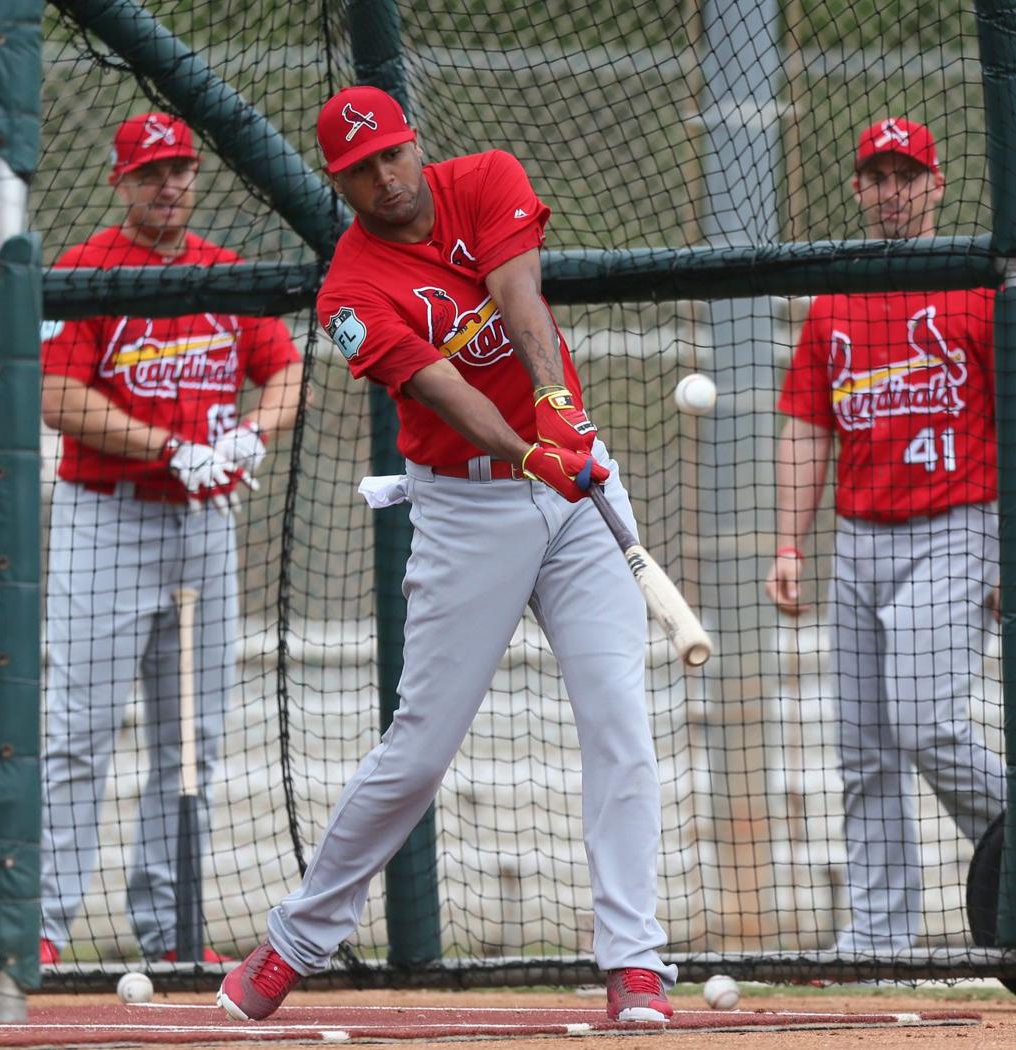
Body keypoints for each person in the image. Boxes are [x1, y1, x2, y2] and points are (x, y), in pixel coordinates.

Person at [217, 85, 676, 1023]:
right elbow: (434, 384)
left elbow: (519, 296)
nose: (384, 178)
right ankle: (297, 938)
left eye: (391, 154)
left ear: (414, 142)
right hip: (469, 508)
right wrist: (526, 450)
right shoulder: (347, 293)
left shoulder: (487, 179)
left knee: (619, 721)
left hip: (579, 481)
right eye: (359, 170)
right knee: (420, 750)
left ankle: (634, 960)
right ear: (338, 183)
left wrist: (555, 406)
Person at [38, 112, 304, 964]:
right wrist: (168, 446)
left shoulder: (223, 272)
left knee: (191, 743)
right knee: (79, 731)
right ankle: (38, 928)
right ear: (121, 182)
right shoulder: (84, 270)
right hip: (106, 518)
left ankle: (173, 933)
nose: (169, 186)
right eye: (151, 173)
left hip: (203, 529)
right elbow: (57, 398)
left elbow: (288, 368)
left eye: (180, 170)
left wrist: (252, 433)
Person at [764, 117, 1009, 954]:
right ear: (859, 189)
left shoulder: (978, 287)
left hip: (958, 527)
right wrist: (789, 543)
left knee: (926, 725)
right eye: (879, 176)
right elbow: (806, 429)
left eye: (908, 175)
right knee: (864, 752)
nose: (893, 191)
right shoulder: (835, 302)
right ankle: (879, 935)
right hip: (859, 541)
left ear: (937, 184)